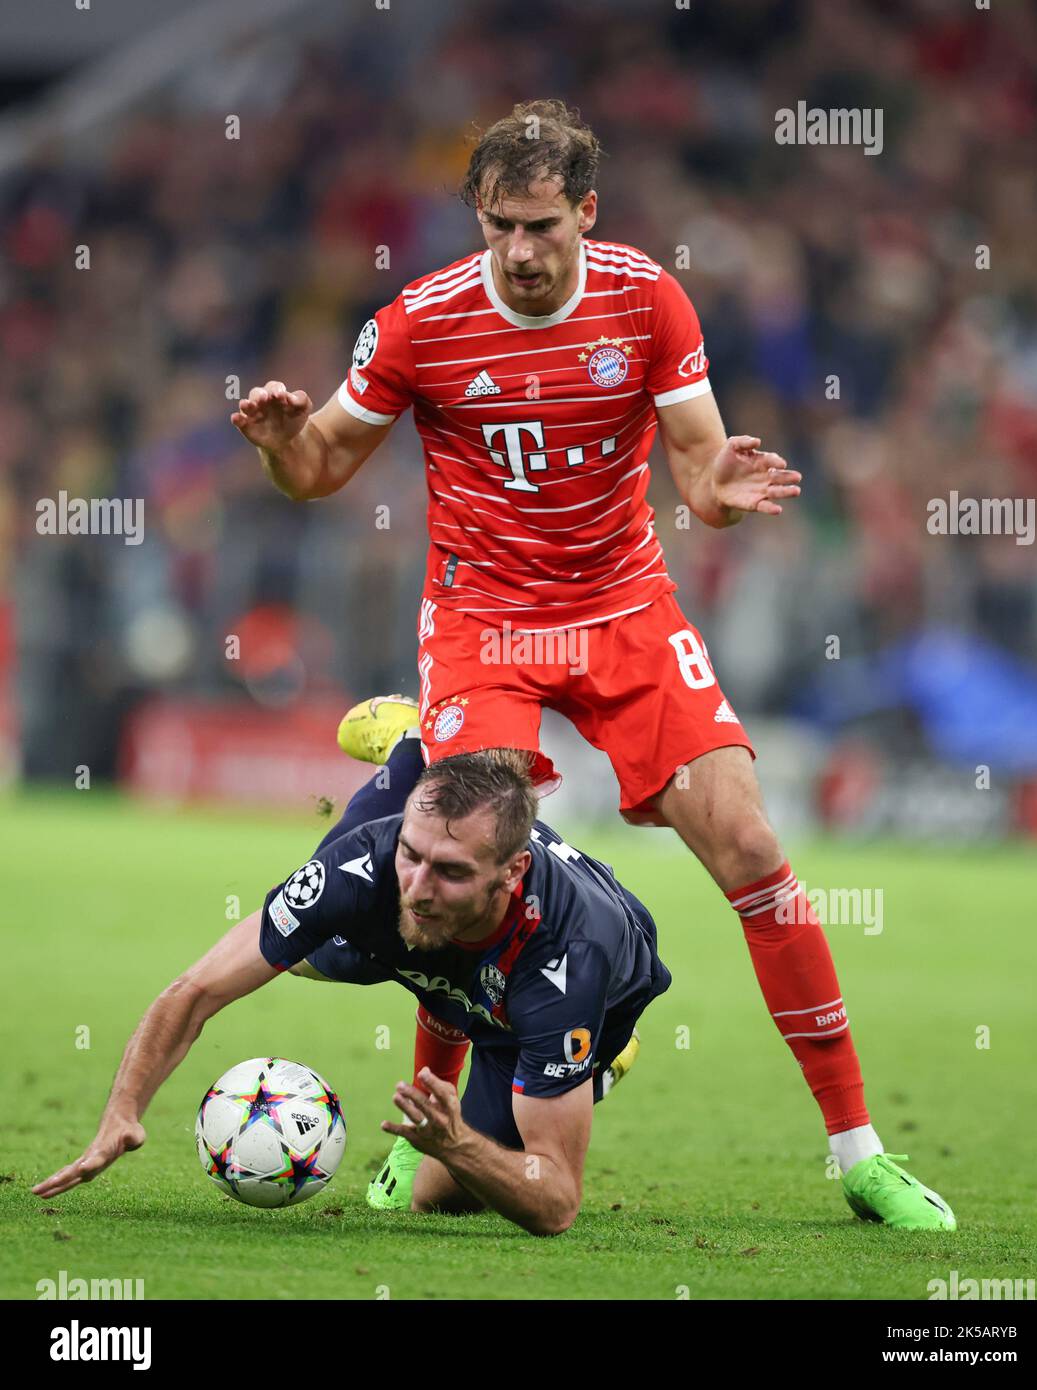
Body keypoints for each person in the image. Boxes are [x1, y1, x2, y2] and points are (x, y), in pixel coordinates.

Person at [231, 100, 955, 1230]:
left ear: (585, 212)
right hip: (485, 620)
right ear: (477, 215)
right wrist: (282, 445)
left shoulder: (645, 298)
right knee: (461, 854)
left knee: (754, 846)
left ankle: (857, 1152)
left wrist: (716, 495)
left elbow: (701, 468)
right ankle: (418, 1126)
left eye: (541, 227)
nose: (519, 253)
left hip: (620, 604)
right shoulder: (417, 321)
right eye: (498, 227)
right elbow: (319, 467)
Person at [31, 719, 665, 1237]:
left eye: (447, 870)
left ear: (509, 872)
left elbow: (555, 1204)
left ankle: (595, 1067)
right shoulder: (365, 868)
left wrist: (456, 1146)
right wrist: (122, 1109)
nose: (415, 888)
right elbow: (196, 990)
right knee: (327, 946)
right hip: (448, 937)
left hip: (565, 1006)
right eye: (410, 855)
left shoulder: (567, 968)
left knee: (430, 1198)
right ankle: (417, 741)